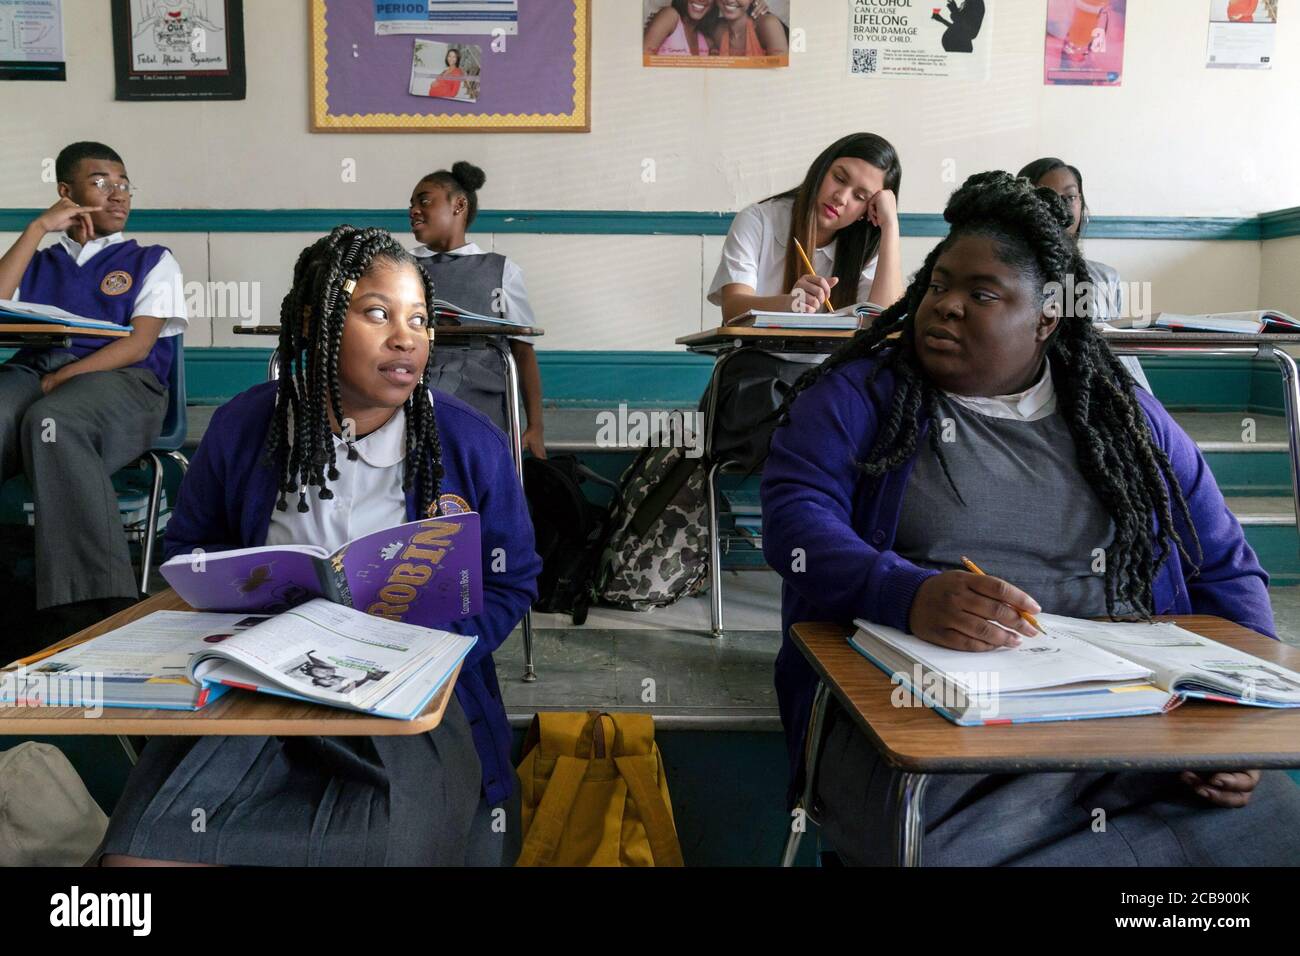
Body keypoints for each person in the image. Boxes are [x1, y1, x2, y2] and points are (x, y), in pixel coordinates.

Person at [761, 171, 1300, 865]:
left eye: (981, 294)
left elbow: (1225, 567)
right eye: (938, 284)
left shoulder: (1122, 417)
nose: (945, 306)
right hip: (944, 741)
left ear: (1047, 317)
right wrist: (907, 592)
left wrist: (1239, 723)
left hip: (1141, 738)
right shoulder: (859, 396)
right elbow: (796, 525)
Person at [97, 226, 540, 866]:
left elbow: (511, 580)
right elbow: (190, 550)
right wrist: (237, 617)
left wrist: (437, 650)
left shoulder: (468, 444)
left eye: (419, 320)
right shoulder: (246, 426)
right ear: (317, 320)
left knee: (388, 843)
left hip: (402, 706)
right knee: (142, 855)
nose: (405, 337)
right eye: (378, 313)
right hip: (256, 692)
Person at [0, 141, 187, 639]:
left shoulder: (151, 259)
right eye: (103, 182)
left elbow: (138, 345)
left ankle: (95, 603)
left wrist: (60, 380)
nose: (119, 193)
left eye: (124, 183)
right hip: (36, 368)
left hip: (123, 381)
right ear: (67, 193)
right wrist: (38, 227)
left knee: (54, 422)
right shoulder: (39, 261)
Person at [409, 161, 546, 457]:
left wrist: (536, 427)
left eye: (424, 201)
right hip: (411, 399)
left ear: (459, 205)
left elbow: (522, 351)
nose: (413, 210)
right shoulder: (400, 267)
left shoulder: (499, 270)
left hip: (480, 406)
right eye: (411, 204)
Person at [1018, 156, 1151, 391]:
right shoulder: (1013, 276)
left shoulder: (1105, 278)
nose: (1062, 206)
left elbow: (1121, 358)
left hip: (1110, 392)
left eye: (1070, 197)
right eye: (1047, 197)